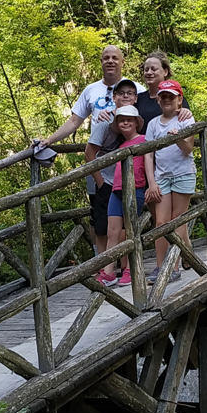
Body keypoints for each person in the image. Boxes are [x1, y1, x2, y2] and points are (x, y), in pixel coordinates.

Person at [38, 45, 143, 253]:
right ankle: (101, 260)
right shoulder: (91, 90)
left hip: (127, 165)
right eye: (106, 58)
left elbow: (153, 110)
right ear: (101, 62)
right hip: (98, 163)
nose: (110, 61)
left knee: (127, 215)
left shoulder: (136, 89)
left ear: (122, 61)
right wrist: (50, 140)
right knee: (99, 214)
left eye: (115, 57)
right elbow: (75, 120)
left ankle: (125, 260)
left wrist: (181, 110)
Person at [85, 79, 139, 283]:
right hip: (103, 180)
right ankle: (103, 266)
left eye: (130, 93)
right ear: (114, 98)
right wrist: (100, 183)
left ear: (135, 98)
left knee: (123, 225)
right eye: (121, 93)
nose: (126, 96)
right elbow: (89, 154)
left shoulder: (132, 123)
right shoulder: (104, 123)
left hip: (122, 181)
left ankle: (124, 267)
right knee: (102, 225)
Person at [99, 106, 160, 286]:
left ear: (136, 123)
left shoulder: (143, 140)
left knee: (129, 232)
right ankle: (109, 272)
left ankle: (131, 270)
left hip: (135, 189)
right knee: (113, 232)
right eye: (121, 120)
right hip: (116, 190)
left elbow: (151, 163)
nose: (125, 122)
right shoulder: (120, 145)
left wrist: (152, 184)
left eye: (129, 120)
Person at [145, 80, 196, 284]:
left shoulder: (186, 120)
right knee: (160, 222)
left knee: (177, 220)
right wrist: (151, 183)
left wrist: (179, 138)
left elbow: (188, 149)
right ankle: (160, 266)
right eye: (163, 96)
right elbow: (147, 155)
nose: (167, 100)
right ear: (158, 100)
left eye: (171, 97)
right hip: (162, 177)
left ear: (179, 100)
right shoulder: (153, 124)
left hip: (183, 174)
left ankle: (173, 267)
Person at [138, 50, 192, 128]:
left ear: (165, 72)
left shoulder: (175, 98)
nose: (149, 72)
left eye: (154, 69)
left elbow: (187, 125)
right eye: (146, 70)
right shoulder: (138, 98)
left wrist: (186, 112)